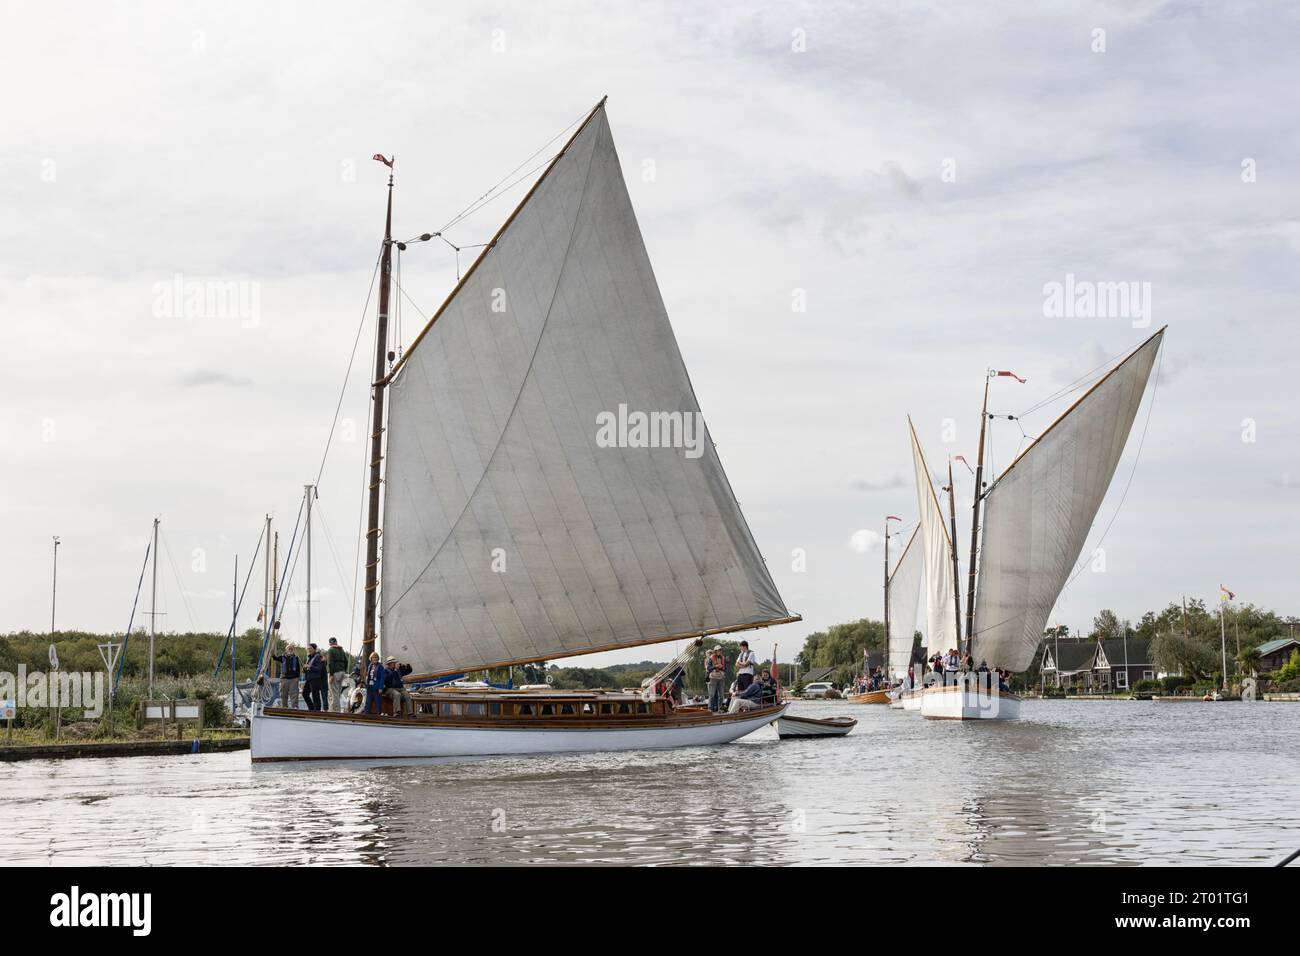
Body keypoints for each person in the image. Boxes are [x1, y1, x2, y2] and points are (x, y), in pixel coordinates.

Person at [272, 643, 301, 709]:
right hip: (284, 678)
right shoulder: (282, 657)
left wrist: (297, 678)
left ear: (293, 649)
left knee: (294, 694)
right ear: (286, 650)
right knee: (284, 694)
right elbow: (274, 658)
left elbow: (298, 668)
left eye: (291, 648)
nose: (290, 649)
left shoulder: (296, 658)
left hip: (294, 679)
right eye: (289, 648)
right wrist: (272, 652)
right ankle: (284, 707)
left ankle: (295, 707)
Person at [326, 637, 349, 712]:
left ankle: (335, 711)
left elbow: (330, 663)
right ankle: (334, 709)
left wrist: (331, 674)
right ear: (336, 642)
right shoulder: (341, 650)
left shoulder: (330, 650)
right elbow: (346, 661)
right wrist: (344, 670)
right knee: (338, 693)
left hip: (334, 673)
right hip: (342, 672)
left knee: (334, 693)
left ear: (330, 643)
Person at [302, 643, 326, 711]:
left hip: (315, 679)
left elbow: (319, 668)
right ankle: (312, 708)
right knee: (304, 693)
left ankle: (317, 711)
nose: (308, 650)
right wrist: (304, 669)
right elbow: (308, 668)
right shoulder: (309, 657)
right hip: (309, 679)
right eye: (308, 648)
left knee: (315, 696)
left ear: (314, 649)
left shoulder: (318, 656)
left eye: (310, 648)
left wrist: (310, 666)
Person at [707, 646, 726, 712]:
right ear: (715, 651)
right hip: (713, 678)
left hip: (721, 678)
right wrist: (716, 666)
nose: (719, 651)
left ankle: (719, 708)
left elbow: (725, 668)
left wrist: (721, 667)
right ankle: (710, 709)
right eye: (718, 650)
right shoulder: (711, 658)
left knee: (721, 695)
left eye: (720, 650)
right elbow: (708, 668)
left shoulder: (723, 658)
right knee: (712, 694)